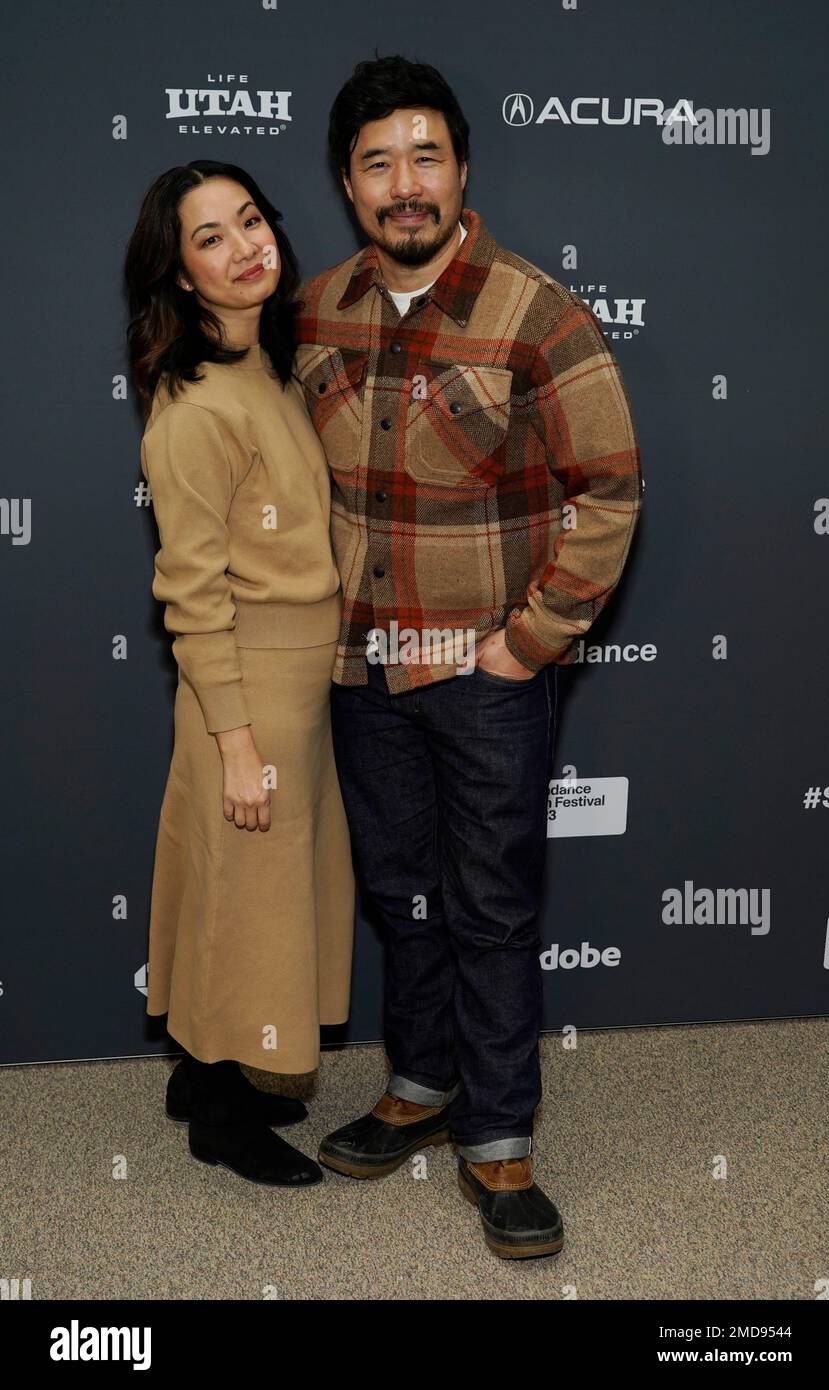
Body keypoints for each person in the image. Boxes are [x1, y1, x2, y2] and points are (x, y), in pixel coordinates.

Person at [294, 56, 643, 1256]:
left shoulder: (535, 311)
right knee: (403, 898)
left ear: (460, 168)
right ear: (348, 185)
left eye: (424, 156)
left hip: (487, 680)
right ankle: (421, 1087)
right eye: (379, 163)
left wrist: (527, 643)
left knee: (490, 906)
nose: (406, 185)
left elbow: (608, 492)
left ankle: (499, 1142)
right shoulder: (317, 309)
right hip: (362, 674)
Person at [125, 160, 355, 1188]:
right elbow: (190, 592)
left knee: (238, 892)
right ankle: (221, 1114)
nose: (242, 246)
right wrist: (236, 742)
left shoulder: (271, 366)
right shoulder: (192, 409)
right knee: (250, 904)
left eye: (249, 221)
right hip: (249, 688)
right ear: (178, 273)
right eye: (209, 236)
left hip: (296, 683)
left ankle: (192, 1066)